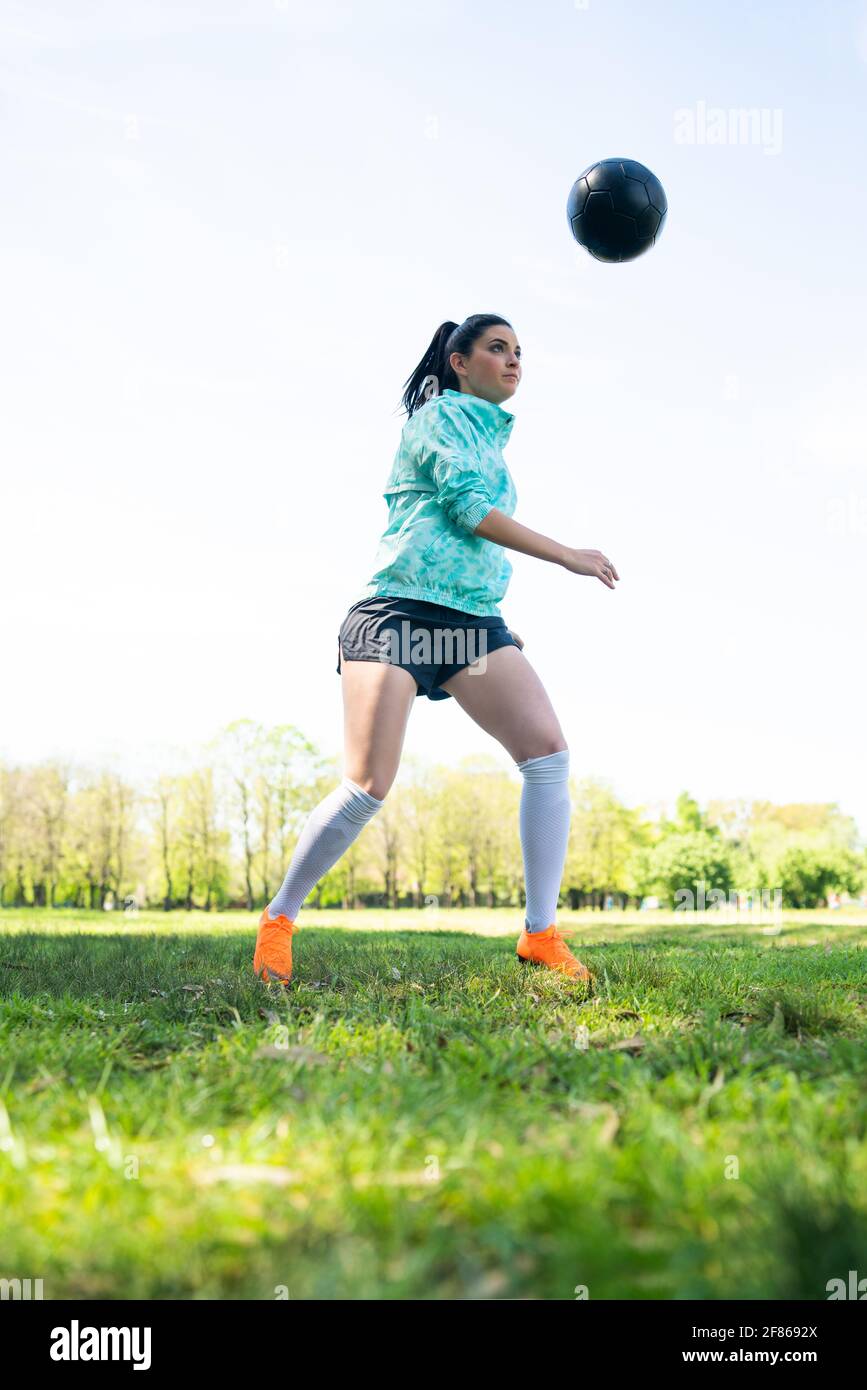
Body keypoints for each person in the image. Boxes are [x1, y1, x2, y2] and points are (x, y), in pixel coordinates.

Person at [253, 314, 619, 987]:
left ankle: (540, 934)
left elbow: (470, 545)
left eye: (518, 352)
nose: (513, 361)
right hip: (396, 616)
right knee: (367, 785)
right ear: (459, 362)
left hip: (469, 624)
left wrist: (496, 631)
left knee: (546, 755)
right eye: (497, 349)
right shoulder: (438, 418)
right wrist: (567, 554)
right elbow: (465, 509)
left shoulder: (491, 440)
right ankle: (279, 918)